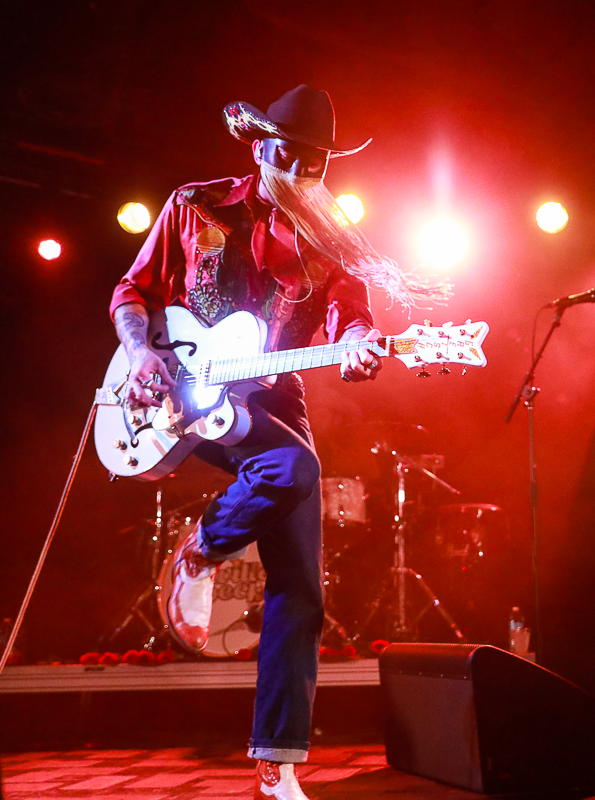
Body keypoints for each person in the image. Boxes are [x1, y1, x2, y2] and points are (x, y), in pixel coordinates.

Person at [110, 85, 444, 800]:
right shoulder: (195, 205)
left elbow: (351, 320)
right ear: (259, 145)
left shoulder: (332, 238)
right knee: (294, 465)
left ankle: (279, 762)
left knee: (302, 586)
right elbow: (131, 292)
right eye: (285, 153)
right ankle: (202, 549)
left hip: (271, 393)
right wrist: (141, 354)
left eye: (314, 163)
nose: (297, 169)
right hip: (178, 384)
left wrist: (359, 346)